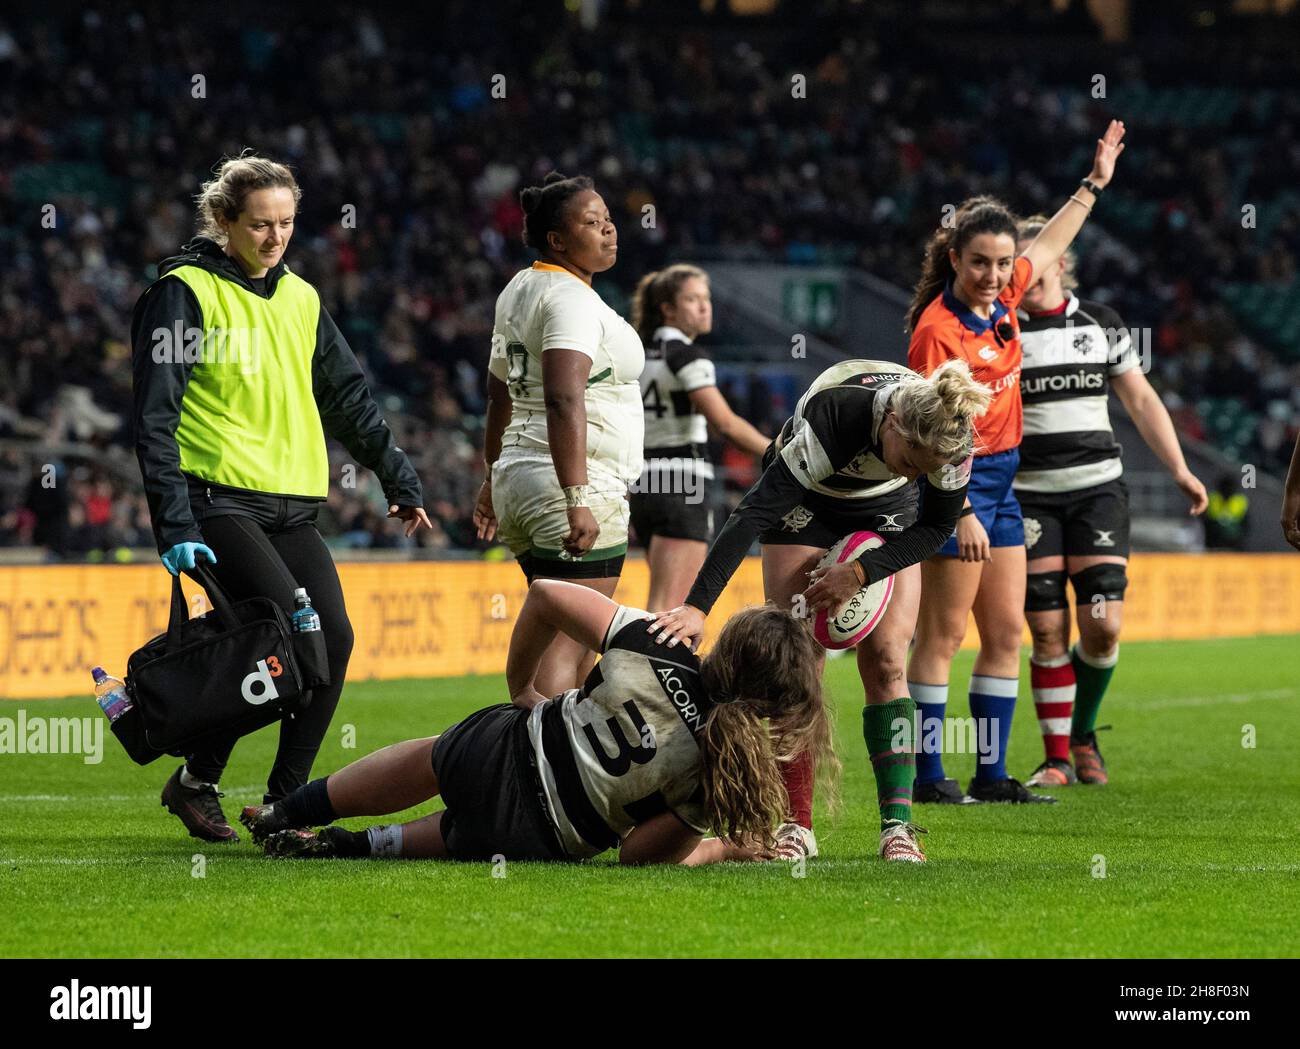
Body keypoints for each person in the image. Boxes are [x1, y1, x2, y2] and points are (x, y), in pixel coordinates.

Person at [131, 152, 430, 843]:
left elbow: (349, 397)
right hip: (217, 503)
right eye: (260, 224)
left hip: (292, 507)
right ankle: (202, 779)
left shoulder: (301, 298)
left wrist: (396, 474)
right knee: (289, 647)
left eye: (287, 223)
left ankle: (279, 804)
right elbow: (155, 416)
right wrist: (172, 521)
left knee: (334, 643)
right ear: (225, 220)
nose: (275, 238)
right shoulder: (184, 291)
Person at [647, 358, 991, 863]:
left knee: (889, 662)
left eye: (926, 469)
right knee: (796, 664)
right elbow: (753, 513)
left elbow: (937, 528)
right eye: (913, 461)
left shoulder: (950, 439)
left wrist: (859, 572)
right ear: (893, 423)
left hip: (885, 511)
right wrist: (698, 607)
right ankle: (795, 825)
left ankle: (898, 826)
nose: (919, 473)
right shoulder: (834, 419)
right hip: (803, 506)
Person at [239, 580, 835, 865]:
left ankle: (292, 811)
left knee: (436, 757)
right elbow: (639, 859)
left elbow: (545, 595)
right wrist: (726, 850)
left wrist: (521, 685)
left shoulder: (658, 641)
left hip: (500, 752)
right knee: (465, 833)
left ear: (731, 641)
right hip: (542, 841)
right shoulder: (719, 769)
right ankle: (351, 848)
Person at [904, 120, 1128, 806]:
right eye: (981, 263)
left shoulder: (1002, 303)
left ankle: (992, 774)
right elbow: (931, 437)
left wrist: (1093, 184)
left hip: (1004, 485)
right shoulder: (936, 333)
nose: (996, 275)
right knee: (942, 633)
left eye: (1004, 264)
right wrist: (962, 506)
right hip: (955, 488)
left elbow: (1055, 239)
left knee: (1004, 633)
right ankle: (926, 775)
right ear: (954, 259)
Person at [1014, 211, 1207, 786]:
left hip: (1097, 491)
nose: (1028, 271)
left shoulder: (1101, 323)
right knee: (1048, 631)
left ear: (1062, 261)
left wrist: (1179, 469)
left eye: (1040, 256)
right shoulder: (1000, 333)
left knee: (1102, 626)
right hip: (1029, 498)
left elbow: (1143, 402)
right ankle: (1054, 760)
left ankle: (1081, 731)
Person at [474, 172, 645, 697]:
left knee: (560, 639)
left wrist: (490, 477)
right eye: (591, 223)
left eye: (609, 219)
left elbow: (500, 394)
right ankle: (547, 769)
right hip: (571, 483)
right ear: (558, 240)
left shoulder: (517, 289)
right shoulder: (570, 299)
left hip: (519, 478)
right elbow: (563, 397)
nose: (608, 230)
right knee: (568, 648)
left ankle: (542, 761)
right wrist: (577, 497)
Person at [628, 264, 770, 610]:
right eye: (693, 299)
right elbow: (725, 423)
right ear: (668, 309)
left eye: (705, 298)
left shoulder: (635, 355)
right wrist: (779, 453)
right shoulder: (689, 357)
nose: (705, 306)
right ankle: (651, 664)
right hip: (683, 480)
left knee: (659, 600)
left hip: (644, 482)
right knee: (673, 608)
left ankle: (646, 663)